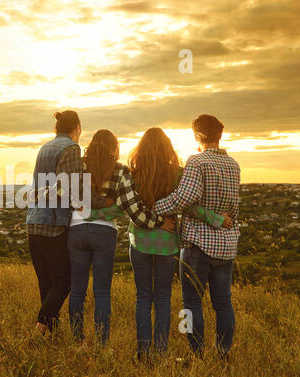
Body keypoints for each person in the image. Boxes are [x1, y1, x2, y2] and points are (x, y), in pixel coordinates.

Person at [89, 127, 230, 359]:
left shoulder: (132, 174)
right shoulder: (178, 174)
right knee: (163, 298)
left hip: (140, 242)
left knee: (143, 297)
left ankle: (143, 351)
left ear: (141, 148)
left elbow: (123, 207)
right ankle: (161, 352)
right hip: (168, 243)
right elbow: (190, 207)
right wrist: (216, 219)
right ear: (168, 148)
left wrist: (92, 215)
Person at [152, 114, 241, 358]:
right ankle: (223, 353)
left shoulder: (197, 162)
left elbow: (184, 198)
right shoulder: (234, 165)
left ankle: (197, 353)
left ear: (196, 136)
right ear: (219, 135)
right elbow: (233, 208)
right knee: (223, 303)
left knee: (192, 304)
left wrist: (154, 208)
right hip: (226, 244)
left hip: (197, 244)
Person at [25, 110, 81, 335]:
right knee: (63, 281)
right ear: (77, 127)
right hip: (53, 224)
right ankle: (40, 327)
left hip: (33, 222)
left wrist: (37, 195)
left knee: (46, 283)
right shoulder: (71, 148)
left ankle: (52, 335)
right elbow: (68, 186)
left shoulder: (44, 148)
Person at [66, 129, 119, 343]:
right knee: (102, 292)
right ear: (113, 148)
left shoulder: (78, 166)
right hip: (105, 230)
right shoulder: (118, 170)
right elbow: (123, 204)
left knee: (77, 289)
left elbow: (67, 195)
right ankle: (101, 343)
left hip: (77, 228)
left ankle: (77, 341)